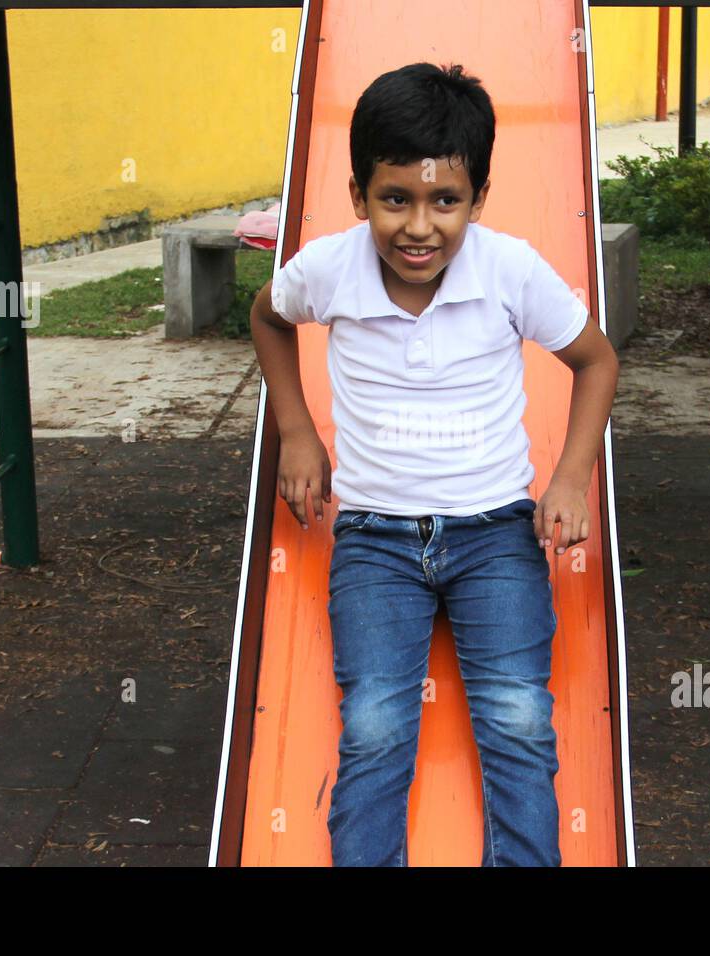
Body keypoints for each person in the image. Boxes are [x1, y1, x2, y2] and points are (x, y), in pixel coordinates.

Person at [249, 61, 619, 866]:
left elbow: (597, 361)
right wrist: (297, 430)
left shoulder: (509, 270)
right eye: (395, 200)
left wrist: (569, 480)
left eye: (445, 201)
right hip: (376, 541)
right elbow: (268, 317)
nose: (420, 226)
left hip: (494, 535)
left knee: (520, 718)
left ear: (477, 200)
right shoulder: (328, 269)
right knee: (377, 723)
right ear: (358, 196)